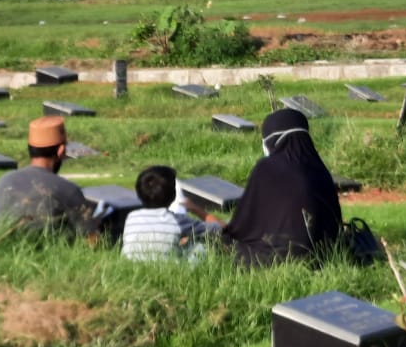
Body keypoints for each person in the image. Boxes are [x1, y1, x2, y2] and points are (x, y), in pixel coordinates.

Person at [198, 109, 342, 267]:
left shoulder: (267, 168)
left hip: (279, 258)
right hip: (325, 255)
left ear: (272, 139)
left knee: (216, 240)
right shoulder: (320, 169)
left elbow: (242, 227)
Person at [0, 115, 100, 237]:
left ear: (30, 148)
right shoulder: (68, 190)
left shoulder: (4, 181)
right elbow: (92, 240)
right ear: (61, 151)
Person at [122, 165, 218, 262]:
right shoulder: (178, 220)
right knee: (201, 244)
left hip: (131, 267)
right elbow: (217, 229)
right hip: (167, 269)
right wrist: (195, 209)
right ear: (173, 195)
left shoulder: (131, 217)